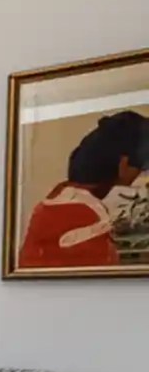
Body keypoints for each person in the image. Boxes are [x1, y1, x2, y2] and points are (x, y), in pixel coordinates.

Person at [19, 110, 147, 268]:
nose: (140, 176)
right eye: (142, 167)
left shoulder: (55, 200)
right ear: (124, 164)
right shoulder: (86, 215)